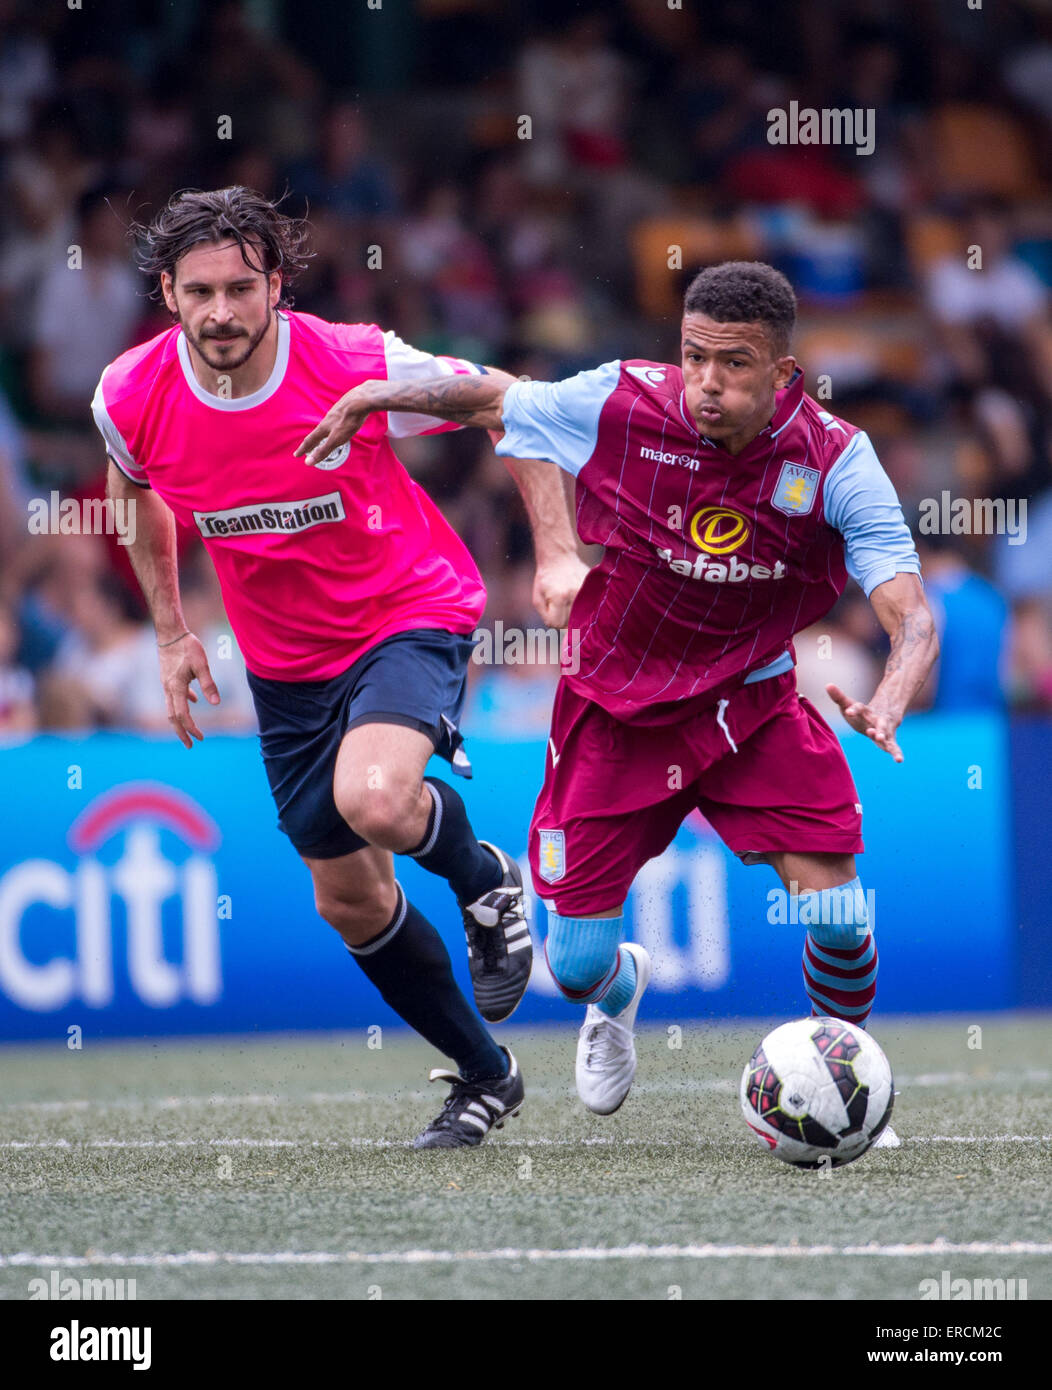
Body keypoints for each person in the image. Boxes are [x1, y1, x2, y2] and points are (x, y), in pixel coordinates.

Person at [299, 260, 940, 1145]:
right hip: (612, 710)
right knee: (575, 964)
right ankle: (620, 992)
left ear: (784, 373)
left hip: (747, 708)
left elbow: (911, 618)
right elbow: (497, 401)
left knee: (836, 912)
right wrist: (379, 396)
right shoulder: (623, 402)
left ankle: (847, 1078)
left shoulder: (836, 459)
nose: (707, 383)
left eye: (735, 364)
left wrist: (893, 697)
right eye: (694, 357)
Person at [94, 186, 588, 1149]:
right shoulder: (131, 393)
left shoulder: (353, 362)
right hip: (286, 669)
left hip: (409, 612)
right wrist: (169, 629)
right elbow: (136, 488)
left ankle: (485, 877)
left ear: (277, 285)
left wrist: (557, 551)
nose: (222, 312)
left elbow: (506, 402)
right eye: (200, 292)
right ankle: (487, 1076)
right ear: (168, 293)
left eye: (242, 288)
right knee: (347, 896)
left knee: (374, 798)